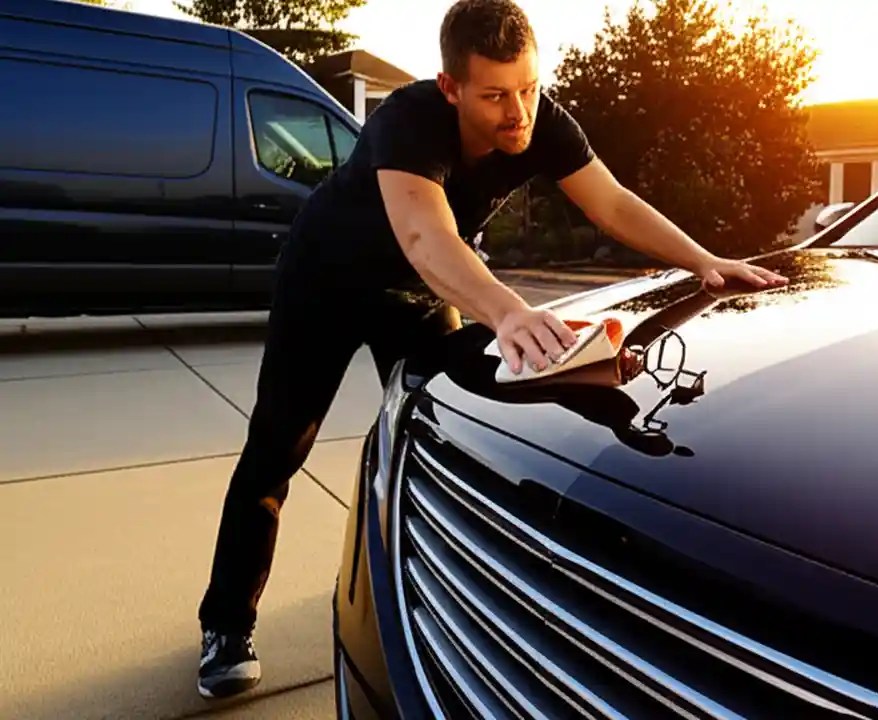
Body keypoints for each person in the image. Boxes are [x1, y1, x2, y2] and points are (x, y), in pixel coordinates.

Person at [194, 0, 787, 699]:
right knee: (276, 449)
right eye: (497, 96)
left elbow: (614, 204)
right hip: (324, 281)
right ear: (452, 89)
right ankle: (226, 625)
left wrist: (707, 262)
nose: (519, 113)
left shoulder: (544, 122)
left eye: (529, 89)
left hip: (416, 293)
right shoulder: (408, 120)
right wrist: (506, 310)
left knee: (446, 432)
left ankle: (448, 593)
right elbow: (426, 237)